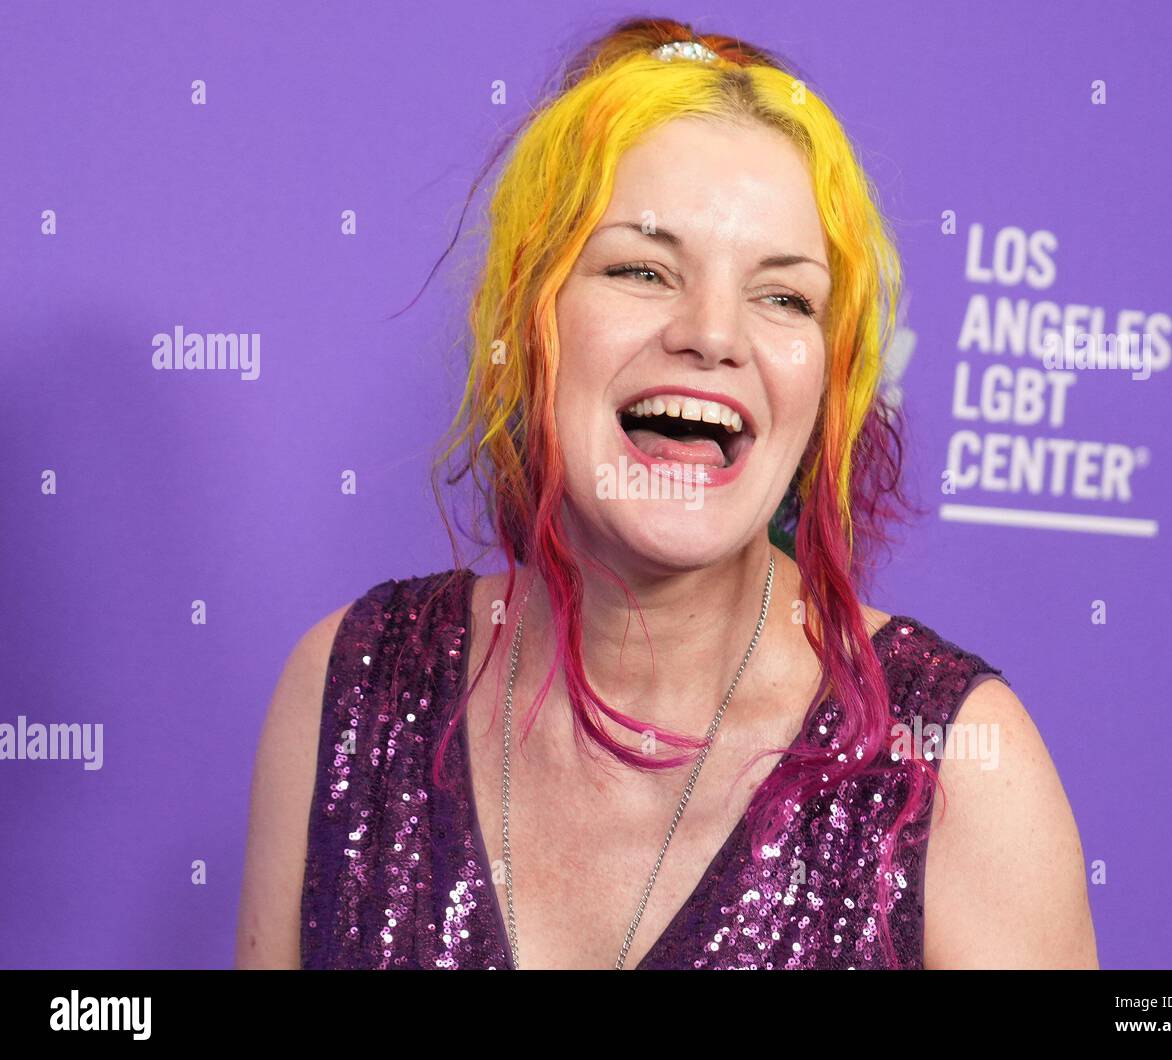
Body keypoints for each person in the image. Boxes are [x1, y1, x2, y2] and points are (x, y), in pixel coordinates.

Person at [236, 17, 1098, 970]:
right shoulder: (350, 688)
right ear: (530, 324)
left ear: (828, 380)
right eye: (643, 270)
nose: (713, 333)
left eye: (783, 296)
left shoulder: (954, 768)